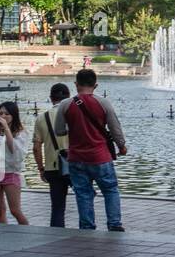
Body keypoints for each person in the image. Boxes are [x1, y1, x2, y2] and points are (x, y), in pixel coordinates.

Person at [53, 68, 128, 231]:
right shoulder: (104, 103)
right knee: (110, 190)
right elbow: (115, 129)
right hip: (100, 157)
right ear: (96, 85)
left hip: (76, 158)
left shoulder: (66, 104)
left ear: (76, 84)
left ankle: (87, 226)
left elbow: (58, 131)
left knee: (83, 194)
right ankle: (114, 224)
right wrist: (121, 146)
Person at [32, 82, 72, 227]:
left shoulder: (42, 118)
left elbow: (36, 147)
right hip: (75, 165)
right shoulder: (73, 114)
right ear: (69, 97)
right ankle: (86, 230)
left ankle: (56, 235)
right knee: (84, 200)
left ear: (50, 98)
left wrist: (41, 168)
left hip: (52, 168)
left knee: (57, 208)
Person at [0, 101, 30, 225]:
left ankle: (27, 231)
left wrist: (6, 129)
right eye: (0, 113)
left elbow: (14, 150)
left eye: (6, 114)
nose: (3, 116)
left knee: (15, 210)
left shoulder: (21, 132)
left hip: (11, 172)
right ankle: (2, 234)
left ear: (14, 115)